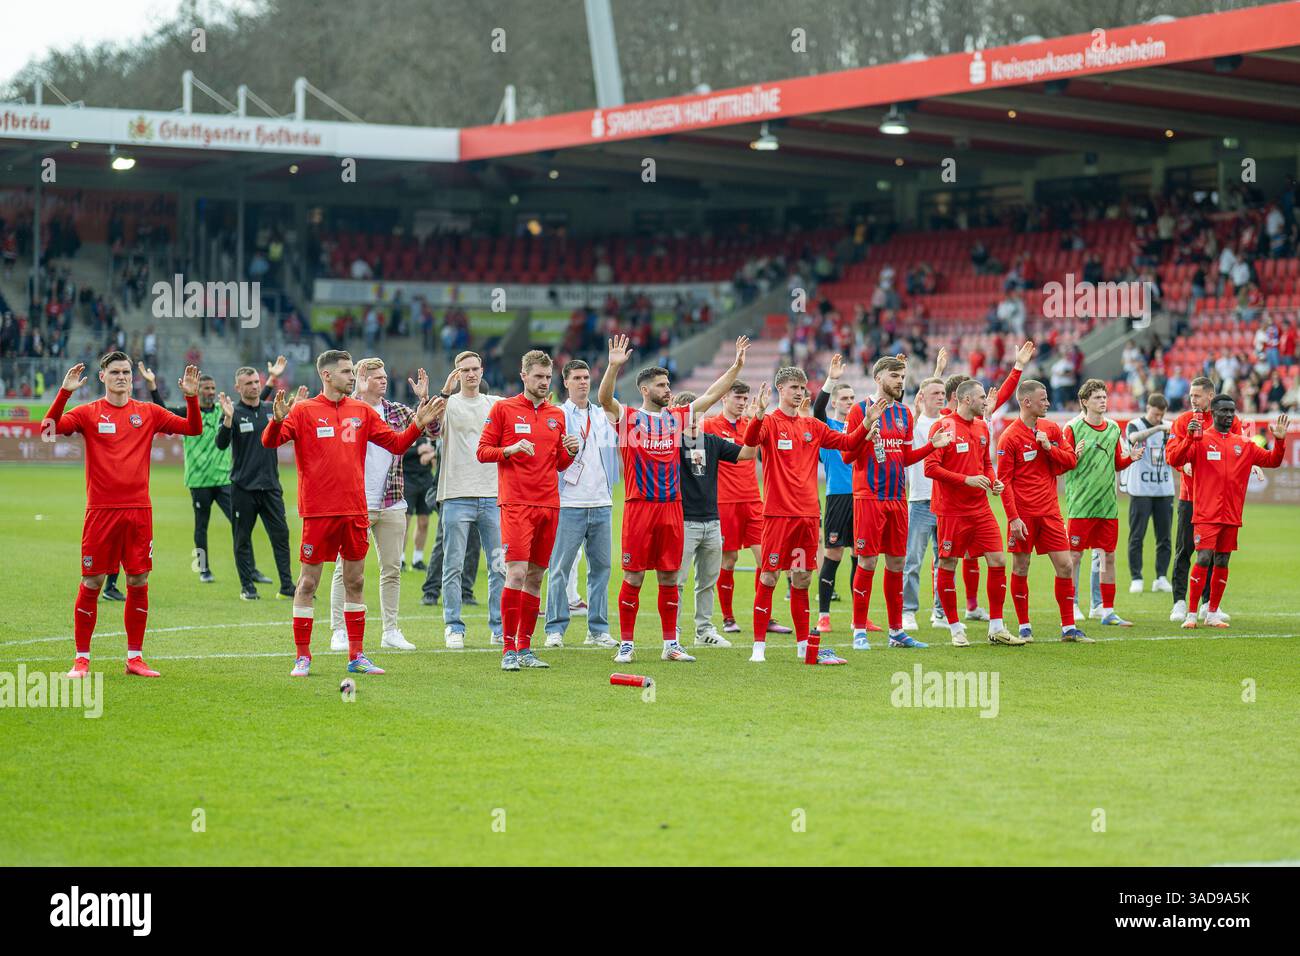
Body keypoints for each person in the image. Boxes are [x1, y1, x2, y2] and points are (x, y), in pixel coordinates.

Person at [261, 350, 442, 678]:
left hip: (356, 510)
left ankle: (357, 655)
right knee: (307, 583)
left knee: (356, 580)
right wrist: (276, 421)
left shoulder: (361, 411)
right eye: (345, 371)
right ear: (327, 376)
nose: (350, 376)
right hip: (318, 513)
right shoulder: (303, 411)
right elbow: (270, 443)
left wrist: (417, 424)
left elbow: (397, 444)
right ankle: (303, 656)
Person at [45, 354, 202, 678]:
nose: (121, 377)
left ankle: (134, 658)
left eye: (126, 372)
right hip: (101, 512)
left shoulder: (147, 412)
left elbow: (192, 428)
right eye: (114, 372)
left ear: (133, 378)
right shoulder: (88, 413)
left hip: (138, 511)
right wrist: (64, 393)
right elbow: (48, 431)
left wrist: (191, 396)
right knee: (92, 581)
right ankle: (82, 659)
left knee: (138, 580)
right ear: (102, 377)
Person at [598, 333, 750, 664]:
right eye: (662, 385)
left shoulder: (676, 418)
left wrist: (736, 367)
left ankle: (671, 644)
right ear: (645, 390)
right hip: (639, 508)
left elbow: (711, 395)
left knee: (669, 576)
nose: (668, 390)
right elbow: (605, 399)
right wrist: (612, 368)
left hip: (672, 509)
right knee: (634, 577)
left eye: (669, 385)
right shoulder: (629, 419)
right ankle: (626, 643)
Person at [743, 368, 870, 664]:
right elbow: (750, 442)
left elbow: (848, 443)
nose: (800, 392)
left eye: (802, 387)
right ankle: (758, 647)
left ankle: (803, 646)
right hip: (777, 517)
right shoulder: (771, 423)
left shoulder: (813, 425)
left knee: (801, 579)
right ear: (779, 389)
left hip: (807, 518)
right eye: (793, 387)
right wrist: (759, 414)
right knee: (770, 576)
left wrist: (867, 422)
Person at [326, 358, 441, 653]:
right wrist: (355, 395)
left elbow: (433, 429)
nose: (383, 380)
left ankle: (391, 629)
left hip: (391, 500)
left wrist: (425, 400)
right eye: (376, 376)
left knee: (391, 568)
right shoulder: (345, 409)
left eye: (385, 376)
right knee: (347, 569)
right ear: (362, 378)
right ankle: (338, 630)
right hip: (355, 502)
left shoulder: (396, 411)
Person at [478, 350, 578, 670]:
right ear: (524, 376)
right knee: (517, 573)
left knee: (536, 577)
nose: (543, 382)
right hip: (516, 504)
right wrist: (510, 449)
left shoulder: (557, 414)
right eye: (538, 377)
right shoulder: (504, 409)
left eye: (548, 377)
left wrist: (571, 453)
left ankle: (525, 649)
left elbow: (558, 463)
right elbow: (482, 451)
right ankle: (508, 649)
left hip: (548, 504)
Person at [842, 355, 945, 649]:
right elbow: (847, 456)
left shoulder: (903, 413)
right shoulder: (860, 410)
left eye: (902, 377)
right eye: (895, 376)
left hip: (897, 499)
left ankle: (896, 631)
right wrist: (864, 431)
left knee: (897, 562)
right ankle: (859, 630)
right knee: (868, 560)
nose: (900, 381)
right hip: (869, 498)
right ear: (879, 378)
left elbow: (904, 457)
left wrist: (930, 447)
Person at [1167, 400, 1288, 628]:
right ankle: (1192, 615)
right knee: (1203, 557)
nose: (1229, 414)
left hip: (1231, 515)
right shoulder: (1201, 440)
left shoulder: (1243, 443)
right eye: (1224, 410)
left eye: (1232, 411)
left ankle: (1212, 613)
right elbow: (1176, 459)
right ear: (1214, 412)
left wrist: (1280, 441)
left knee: (1222, 560)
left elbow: (1273, 461)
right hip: (1205, 514)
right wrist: (1189, 438)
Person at [925, 380, 1024, 647]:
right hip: (951, 511)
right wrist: (965, 480)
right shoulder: (943, 427)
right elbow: (930, 468)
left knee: (998, 560)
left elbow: (985, 464)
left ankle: (996, 627)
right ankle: (956, 628)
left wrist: (993, 481)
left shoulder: (982, 427)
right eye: (981, 397)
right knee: (948, 564)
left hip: (980, 508)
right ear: (966, 400)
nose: (985, 401)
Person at [996, 379, 1090, 642]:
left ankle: (1068, 628)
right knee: (1021, 566)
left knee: (1066, 565)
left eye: (1047, 398)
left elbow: (1071, 461)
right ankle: (1024, 626)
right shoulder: (1009, 437)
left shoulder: (1052, 429)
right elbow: (1005, 483)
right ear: (1027, 402)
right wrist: (1013, 518)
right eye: (1043, 399)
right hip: (1023, 516)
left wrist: (1049, 448)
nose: (1048, 403)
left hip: (1050, 512)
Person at [426, 350, 505, 648]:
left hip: (493, 494)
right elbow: (431, 430)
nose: (471, 374)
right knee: (453, 565)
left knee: (499, 566)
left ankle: (498, 627)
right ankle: (453, 625)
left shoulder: (496, 404)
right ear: (456, 373)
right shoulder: (448, 404)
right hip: (456, 494)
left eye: (474, 369)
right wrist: (443, 393)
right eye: (464, 370)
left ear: (482, 371)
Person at [701, 382, 792, 636]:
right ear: (724, 399)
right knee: (728, 560)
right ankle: (728, 618)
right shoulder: (709, 426)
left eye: (744, 398)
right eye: (737, 398)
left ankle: (765, 616)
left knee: (767, 560)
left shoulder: (753, 424)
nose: (742, 402)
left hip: (753, 501)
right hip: (725, 503)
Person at [543, 359, 620, 650]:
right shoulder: (557, 415)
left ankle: (597, 629)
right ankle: (555, 628)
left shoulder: (603, 414)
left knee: (601, 569)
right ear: (565, 382)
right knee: (560, 568)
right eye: (576, 377)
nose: (583, 382)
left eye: (586, 377)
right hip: (568, 502)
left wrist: (613, 367)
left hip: (601, 501)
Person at [138, 364, 235, 585]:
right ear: (197, 390)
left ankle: (248, 569)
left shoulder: (224, 411)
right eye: (206, 388)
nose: (211, 391)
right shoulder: (188, 413)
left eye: (213, 388)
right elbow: (161, 411)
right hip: (198, 480)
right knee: (201, 527)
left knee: (239, 524)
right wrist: (153, 385)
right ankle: (203, 569)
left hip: (222, 480)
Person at [674, 391, 756, 647]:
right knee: (677, 581)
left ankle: (704, 631)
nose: (693, 416)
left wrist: (758, 419)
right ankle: (672, 632)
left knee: (707, 581)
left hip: (712, 520)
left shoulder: (711, 441)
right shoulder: (671, 443)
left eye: (696, 410)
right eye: (686, 410)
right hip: (684, 521)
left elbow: (747, 454)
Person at [1062, 379, 1144, 627]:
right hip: (1080, 504)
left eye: (1104, 397)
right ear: (1084, 402)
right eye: (1097, 397)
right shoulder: (1072, 428)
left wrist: (1131, 458)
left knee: (1108, 556)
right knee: (1074, 557)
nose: (1103, 401)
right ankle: (1073, 603)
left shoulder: (1113, 429)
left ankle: (1106, 610)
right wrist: (1073, 455)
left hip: (1107, 505)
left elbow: (1117, 462)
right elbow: (1064, 462)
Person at [214, 357, 297, 600]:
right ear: (237, 388)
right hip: (243, 489)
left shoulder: (270, 411)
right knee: (242, 539)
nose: (254, 386)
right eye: (248, 383)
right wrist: (227, 421)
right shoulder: (233, 412)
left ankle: (287, 586)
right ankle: (247, 587)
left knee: (281, 536)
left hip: (271, 487)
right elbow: (220, 445)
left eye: (255, 381)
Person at [1167, 376, 1246, 624]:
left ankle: (1208, 605)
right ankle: (1179, 602)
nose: (1192, 399)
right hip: (1190, 496)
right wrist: (1184, 468)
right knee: (1185, 550)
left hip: (1218, 502)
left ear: (1210, 397)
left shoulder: (1229, 420)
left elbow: (1242, 449)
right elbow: (1172, 455)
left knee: (1214, 554)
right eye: (1190, 395)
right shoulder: (1182, 422)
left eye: (1197, 396)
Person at [811, 353, 857, 635]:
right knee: (833, 555)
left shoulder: (862, 428)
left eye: (852, 399)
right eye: (845, 399)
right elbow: (817, 410)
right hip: (838, 497)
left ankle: (858, 618)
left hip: (863, 497)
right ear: (836, 403)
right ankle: (824, 616)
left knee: (861, 557)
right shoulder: (827, 428)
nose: (850, 403)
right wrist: (831, 381)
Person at [903, 371, 948, 632]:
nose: (941, 397)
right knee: (913, 560)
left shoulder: (949, 424)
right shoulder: (915, 423)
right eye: (935, 393)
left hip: (946, 502)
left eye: (943, 393)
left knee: (944, 559)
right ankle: (908, 611)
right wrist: (936, 373)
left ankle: (940, 612)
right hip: (920, 500)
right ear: (922, 397)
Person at [1123, 393, 1174, 595]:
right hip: (1140, 489)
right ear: (1147, 408)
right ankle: (1136, 577)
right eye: (1155, 414)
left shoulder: (1169, 427)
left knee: (1165, 537)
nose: (1158, 418)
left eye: (1161, 415)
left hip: (1164, 489)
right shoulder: (1135, 424)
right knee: (1137, 536)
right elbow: (1133, 438)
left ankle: (1161, 577)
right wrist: (1158, 428)